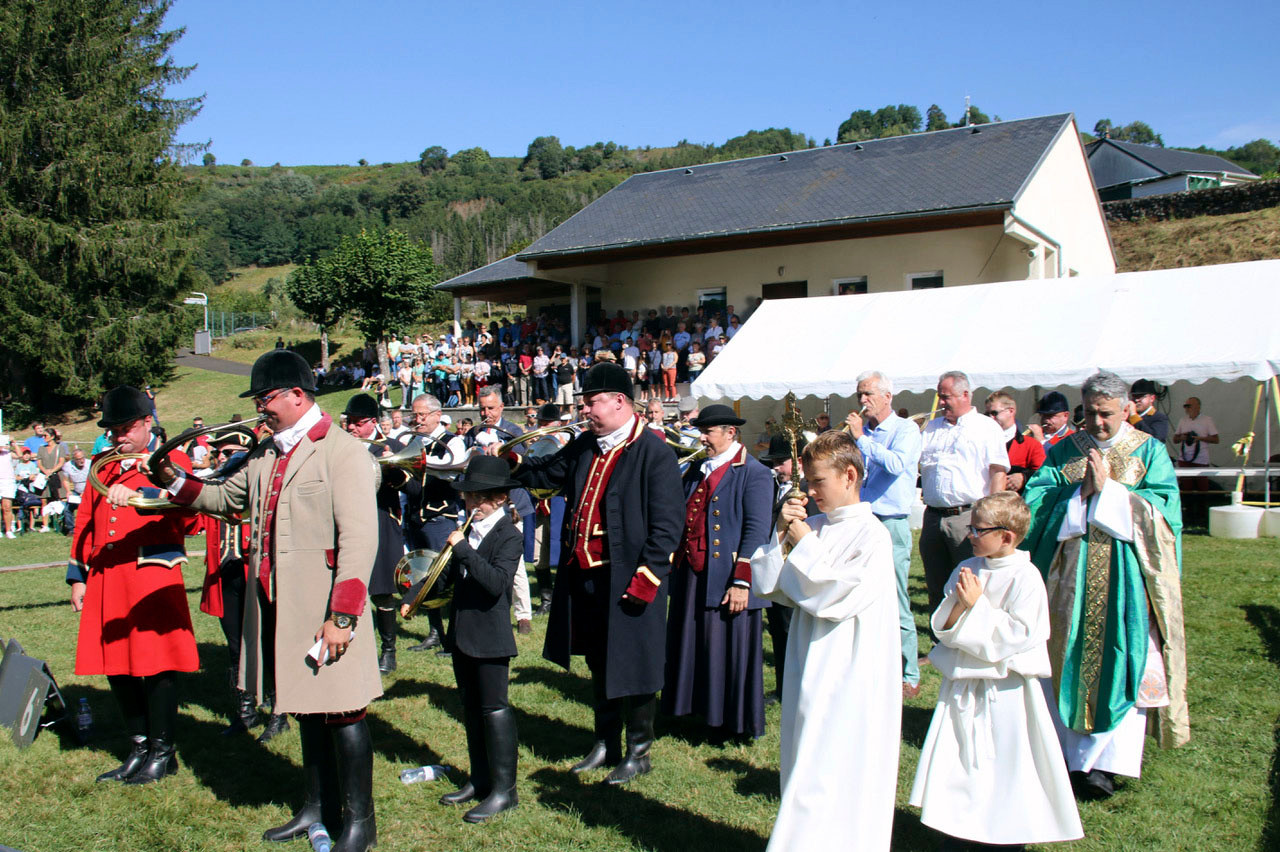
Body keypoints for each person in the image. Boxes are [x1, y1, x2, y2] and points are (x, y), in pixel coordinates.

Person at [156, 350, 381, 851]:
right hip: (281, 607)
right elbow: (223, 499)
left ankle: (360, 823)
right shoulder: (266, 453)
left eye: (266, 397)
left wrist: (342, 615)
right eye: (258, 399)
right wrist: (174, 480)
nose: (261, 407)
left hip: (327, 610)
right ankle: (315, 806)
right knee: (304, 708)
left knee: (344, 712)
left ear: (297, 395)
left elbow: (361, 541)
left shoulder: (342, 451)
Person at [504, 362, 683, 784]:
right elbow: (548, 475)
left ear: (619, 401)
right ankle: (606, 742)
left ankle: (639, 752)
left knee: (635, 665)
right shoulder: (586, 444)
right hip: (587, 575)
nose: (586, 411)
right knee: (599, 662)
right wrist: (511, 462)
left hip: (631, 578)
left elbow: (668, 527)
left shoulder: (654, 451)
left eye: (593, 403)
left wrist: (647, 579)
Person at [1022, 371, 1188, 801]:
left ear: (1127, 409)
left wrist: (1111, 493)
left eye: (1107, 414)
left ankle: (1107, 764)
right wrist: (1080, 494)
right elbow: (1037, 504)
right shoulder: (1063, 452)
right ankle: (1067, 756)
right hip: (1069, 580)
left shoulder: (1149, 452)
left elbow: (1165, 514)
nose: (1097, 423)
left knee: (1122, 655)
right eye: (1091, 413)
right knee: (1067, 653)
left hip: (1125, 581)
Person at [750, 430, 900, 851]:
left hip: (850, 664)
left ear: (849, 475)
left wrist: (806, 545)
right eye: (808, 481)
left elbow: (835, 595)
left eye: (818, 481)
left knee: (836, 757)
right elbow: (769, 585)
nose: (810, 491)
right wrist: (781, 533)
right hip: (808, 655)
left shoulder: (872, 535)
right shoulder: (811, 526)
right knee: (805, 754)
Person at [909, 492, 1083, 849]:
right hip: (965, 686)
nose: (970, 535)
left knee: (1005, 761)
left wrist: (976, 607)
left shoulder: (1026, 577)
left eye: (978, 529)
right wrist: (960, 605)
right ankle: (958, 825)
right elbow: (945, 625)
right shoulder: (966, 569)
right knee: (961, 760)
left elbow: (1019, 635)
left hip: (1007, 691)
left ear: (1006, 536)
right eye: (970, 527)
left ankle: (1006, 830)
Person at [70, 386, 200, 785]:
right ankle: (139, 746)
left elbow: (193, 520)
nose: (118, 437)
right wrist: (78, 575)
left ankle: (164, 751)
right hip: (109, 574)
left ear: (147, 423)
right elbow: (86, 522)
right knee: (116, 665)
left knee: (157, 664)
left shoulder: (171, 460)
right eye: (112, 430)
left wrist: (148, 487)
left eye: (125, 428)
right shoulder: (102, 463)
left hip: (151, 574)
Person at [402, 456, 524, 822]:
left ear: (500, 498)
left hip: (491, 635)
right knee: (471, 709)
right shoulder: (467, 532)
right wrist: (413, 597)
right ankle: (480, 779)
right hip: (463, 633)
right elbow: (445, 576)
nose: (470, 504)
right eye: (468, 497)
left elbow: (497, 584)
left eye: (479, 498)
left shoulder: (509, 535)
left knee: (494, 709)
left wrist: (464, 550)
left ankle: (505, 790)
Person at [663, 405, 772, 740]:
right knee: (693, 644)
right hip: (693, 572)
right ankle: (695, 711)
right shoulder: (697, 469)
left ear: (730, 433)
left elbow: (756, 531)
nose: (702, 438)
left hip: (727, 576)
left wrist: (742, 581)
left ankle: (730, 722)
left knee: (728, 650)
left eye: (708, 432)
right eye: (701, 431)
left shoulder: (753, 473)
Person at [846, 370, 924, 698]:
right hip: (862, 519)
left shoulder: (905, 430)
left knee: (896, 596)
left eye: (868, 394)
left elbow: (895, 465)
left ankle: (910, 673)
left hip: (891, 521)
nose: (863, 401)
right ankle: (868, 662)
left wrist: (862, 439)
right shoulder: (863, 434)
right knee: (859, 593)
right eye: (860, 395)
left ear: (887, 396)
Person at [919, 371, 1010, 615]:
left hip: (968, 517)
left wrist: (991, 518)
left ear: (966, 395)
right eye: (939, 397)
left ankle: (969, 642)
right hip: (933, 516)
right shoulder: (930, 429)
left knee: (968, 583)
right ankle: (940, 646)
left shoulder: (986, 427)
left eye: (946, 397)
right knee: (936, 586)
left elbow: (998, 473)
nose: (941, 403)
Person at [398, 393, 469, 655]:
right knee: (422, 576)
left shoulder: (454, 441)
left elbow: (453, 469)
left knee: (446, 578)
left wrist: (423, 464)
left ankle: (456, 636)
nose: (417, 420)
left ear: (438, 415)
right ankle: (435, 632)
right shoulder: (416, 440)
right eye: (414, 415)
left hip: (441, 518)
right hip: (417, 518)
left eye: (422, 415)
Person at [344, 394, 408, 674]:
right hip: (348, 524)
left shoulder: (392, 446)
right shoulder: (342, 448)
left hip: (383, 523)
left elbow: (414, 490)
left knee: (382, 593)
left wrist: (393, 468)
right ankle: (354, 647)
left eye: (357, 424)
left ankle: (389, 651)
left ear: (372, 422)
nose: (351, 429)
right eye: (349, 423)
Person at [468, 387, 536, 636]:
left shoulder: (513, 431)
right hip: (482, 507)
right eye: (482, 408)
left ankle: (523, 615)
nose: (486, 413)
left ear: (501, 407)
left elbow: (521, 459)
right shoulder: (474, 433)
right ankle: (486, 609)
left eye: (491, 408)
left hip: (510, 506)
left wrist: (503, 450)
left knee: (514, 564)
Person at [526, 404, 570, 618]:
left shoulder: (568, 442)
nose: (543, 428)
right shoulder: (534, 443)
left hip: (560, 501)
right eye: (540, 424)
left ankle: (564, 597)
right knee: (538, 552)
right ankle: (546, 598)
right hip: (539, 502)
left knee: (563, 551)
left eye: (547, 424)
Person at [984, 391, 1046, 493]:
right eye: (987, 414)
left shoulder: (1031, 445)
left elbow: (1043, 475)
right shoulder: (981, 442)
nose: (991, 418)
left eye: (994, 413)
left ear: (1011, 411)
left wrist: (1024, 477)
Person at [1172, 396, 1218, 467]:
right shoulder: (1183, 420)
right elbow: (1175, 440)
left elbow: (1216, 440)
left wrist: (1199, 438)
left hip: (1201, 460)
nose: (1187, 408)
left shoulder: (1207, 420)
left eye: (1189, 406)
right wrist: (1182, 438)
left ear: (1198, 407)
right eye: (1185, 406)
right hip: (1184, 459)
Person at [1127, 379, 1170, 443]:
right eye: (1134, 396)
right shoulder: (1127, 416)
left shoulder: (1159, 417)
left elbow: (1156, 440)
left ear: (1152, 398)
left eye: (1140, 396)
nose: (1136, 400)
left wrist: (1134, 416)